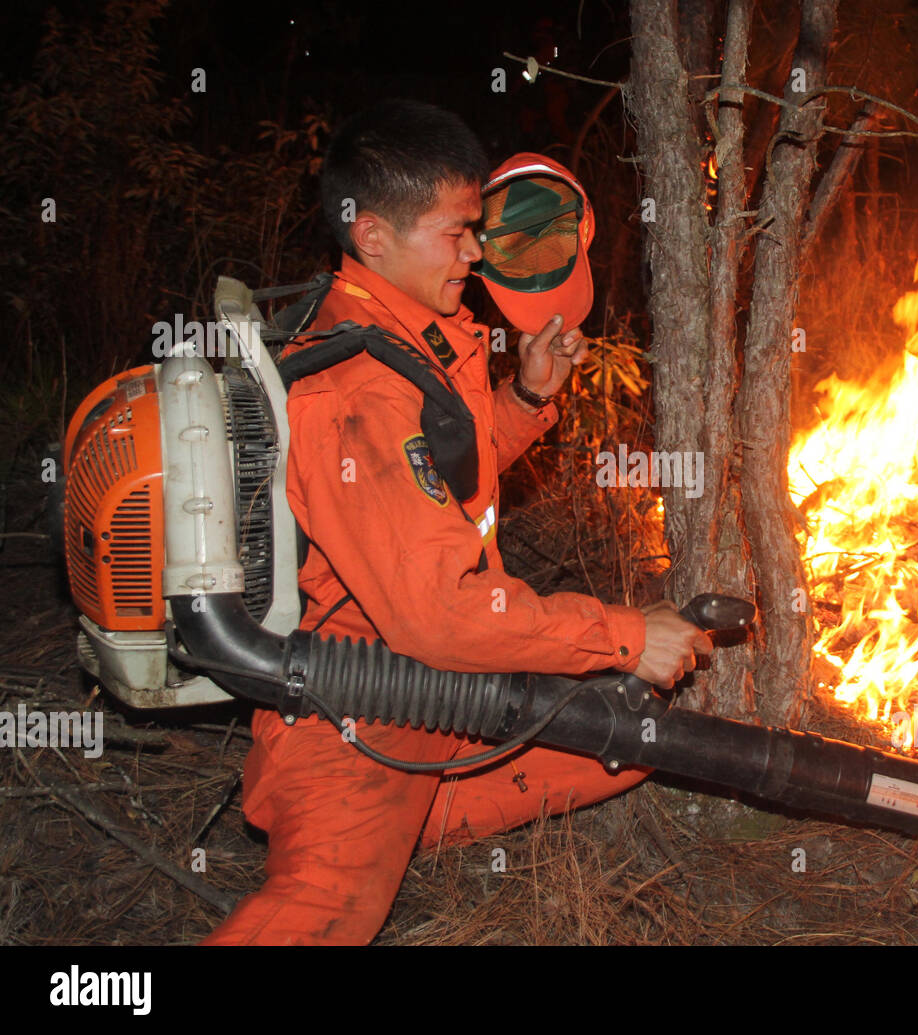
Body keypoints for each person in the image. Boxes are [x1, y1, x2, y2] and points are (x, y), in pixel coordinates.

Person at [203, 99, 710, 945]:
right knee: (326, 915)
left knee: (641, 737)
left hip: (436, 690)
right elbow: (437, 612)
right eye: (455, 232)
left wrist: (526, 400)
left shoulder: (408, 333)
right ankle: (376, 824)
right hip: (353, 715)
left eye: (477, 227)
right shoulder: (356, 387)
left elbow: (436, 486)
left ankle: (418, 815)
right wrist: (625, 635)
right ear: (372, 238)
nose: (476, 252)